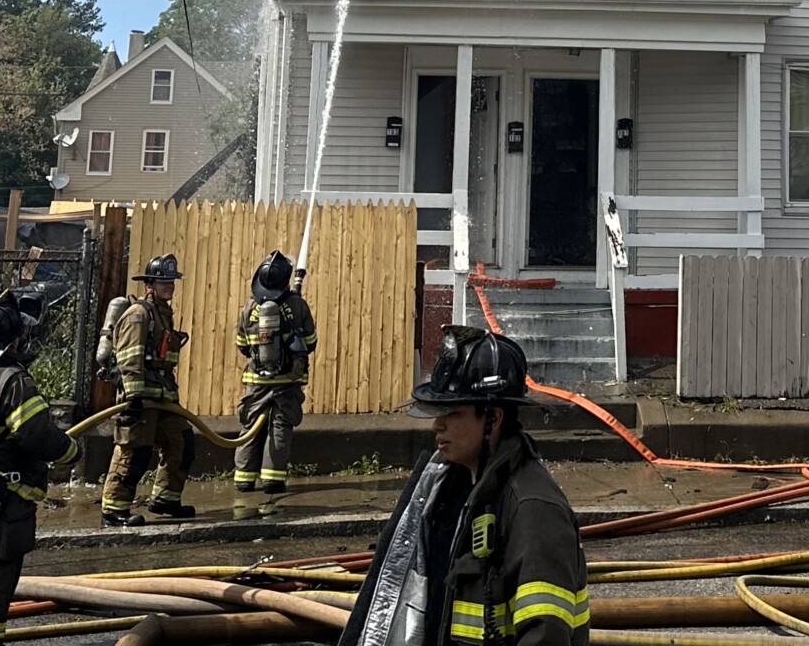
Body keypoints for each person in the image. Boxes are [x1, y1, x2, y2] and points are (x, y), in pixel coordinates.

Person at [339, 327, 589, 646]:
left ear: (493, 418)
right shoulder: (449, 491)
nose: (437, 424)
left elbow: (545, 635)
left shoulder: (533, 509)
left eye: (452, 412)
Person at [0, 289, 78, 643]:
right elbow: (37, 435)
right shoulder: (12, 381)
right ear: (13, 342)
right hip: (1, 499)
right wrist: (72, 452)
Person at [101, 253, 195, 527]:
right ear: (149, 284)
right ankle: (113, 509)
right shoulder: (139, 315)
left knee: (182, 443)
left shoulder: (162, 314)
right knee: (134, 453)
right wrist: (133, 397)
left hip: (163, 398)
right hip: (140, 399)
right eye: (164, 281)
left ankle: (166, 499)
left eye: (172, 281)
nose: (170, 286)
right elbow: (130, 358)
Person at [233, 250, 318, 504]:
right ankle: (273, 479)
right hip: (287, 381)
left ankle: (244, 478)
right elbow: (310, 342)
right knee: (280, 426)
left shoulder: (249, 307)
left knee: (251, 426)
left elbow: (242, 346)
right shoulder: (297, 305)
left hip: (256, 380)